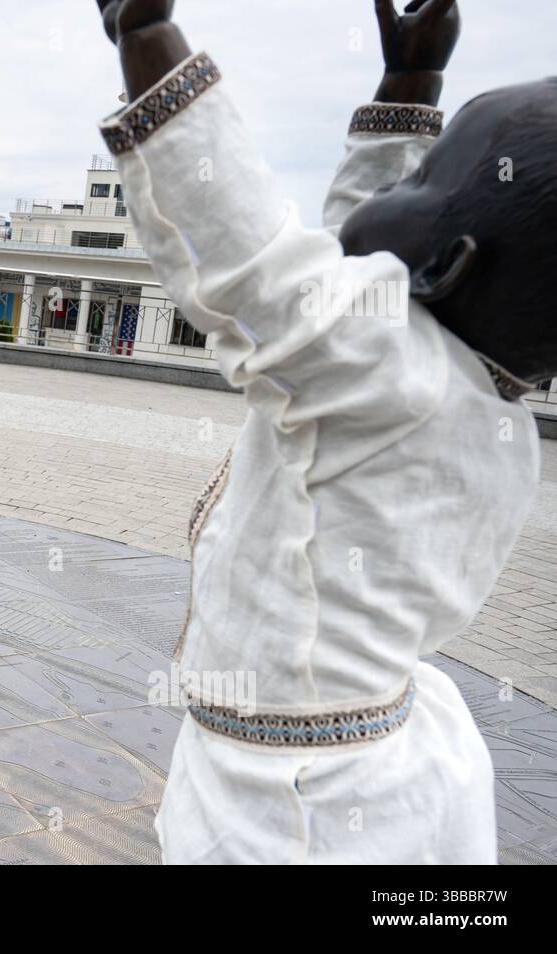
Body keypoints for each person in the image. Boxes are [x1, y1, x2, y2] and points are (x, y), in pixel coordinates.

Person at [93, 0, 555, 862]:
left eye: (423, 179)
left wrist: (146, 33)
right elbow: (356, 272)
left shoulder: (384, 373)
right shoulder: (494, 418)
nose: (395, 194)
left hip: (288, 799)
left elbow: (251, 259)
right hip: (370, 754)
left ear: (448, 262)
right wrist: (410, 87)